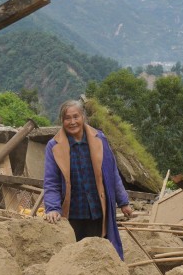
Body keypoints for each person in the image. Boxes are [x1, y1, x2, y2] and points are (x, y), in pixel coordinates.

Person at [42, 100, 135, 259]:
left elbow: (112, 173)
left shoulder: (99, 139)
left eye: (76, 117)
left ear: (83, 117)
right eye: (67, 118)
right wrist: (52, 208)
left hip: (97, 210)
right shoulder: (54, 146)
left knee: (98, 255)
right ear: (62, 121)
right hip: (72, 213)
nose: (72, 122)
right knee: (74, 256)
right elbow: (51, 181)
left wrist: (123, 202)